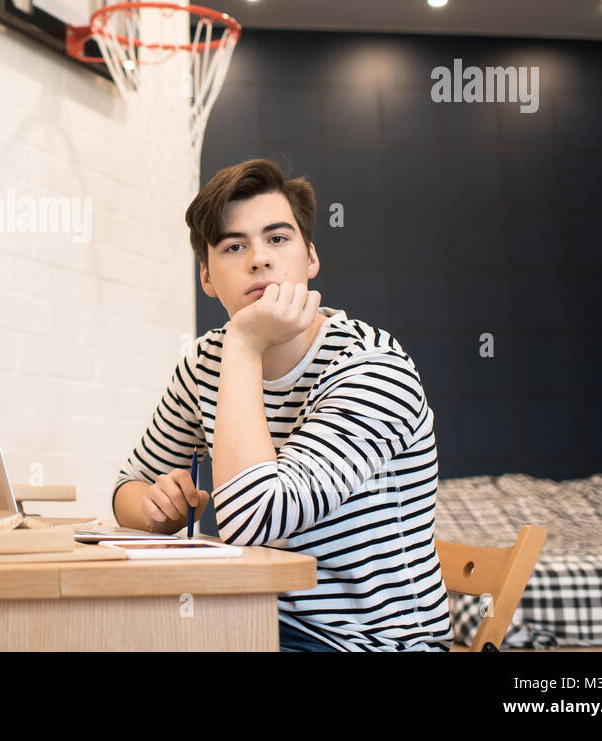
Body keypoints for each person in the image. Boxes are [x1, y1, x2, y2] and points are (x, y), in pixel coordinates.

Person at [110, 158, 452, 651]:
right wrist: (151, 508)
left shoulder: (372, 366)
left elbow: (256, 519)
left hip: (364, 642)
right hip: (248, 618)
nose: (259, 259)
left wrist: (246, 345)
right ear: (207, 277)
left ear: (310, 258)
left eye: (277, 239)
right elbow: (128, 486)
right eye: (234, 246)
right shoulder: (206, 360)